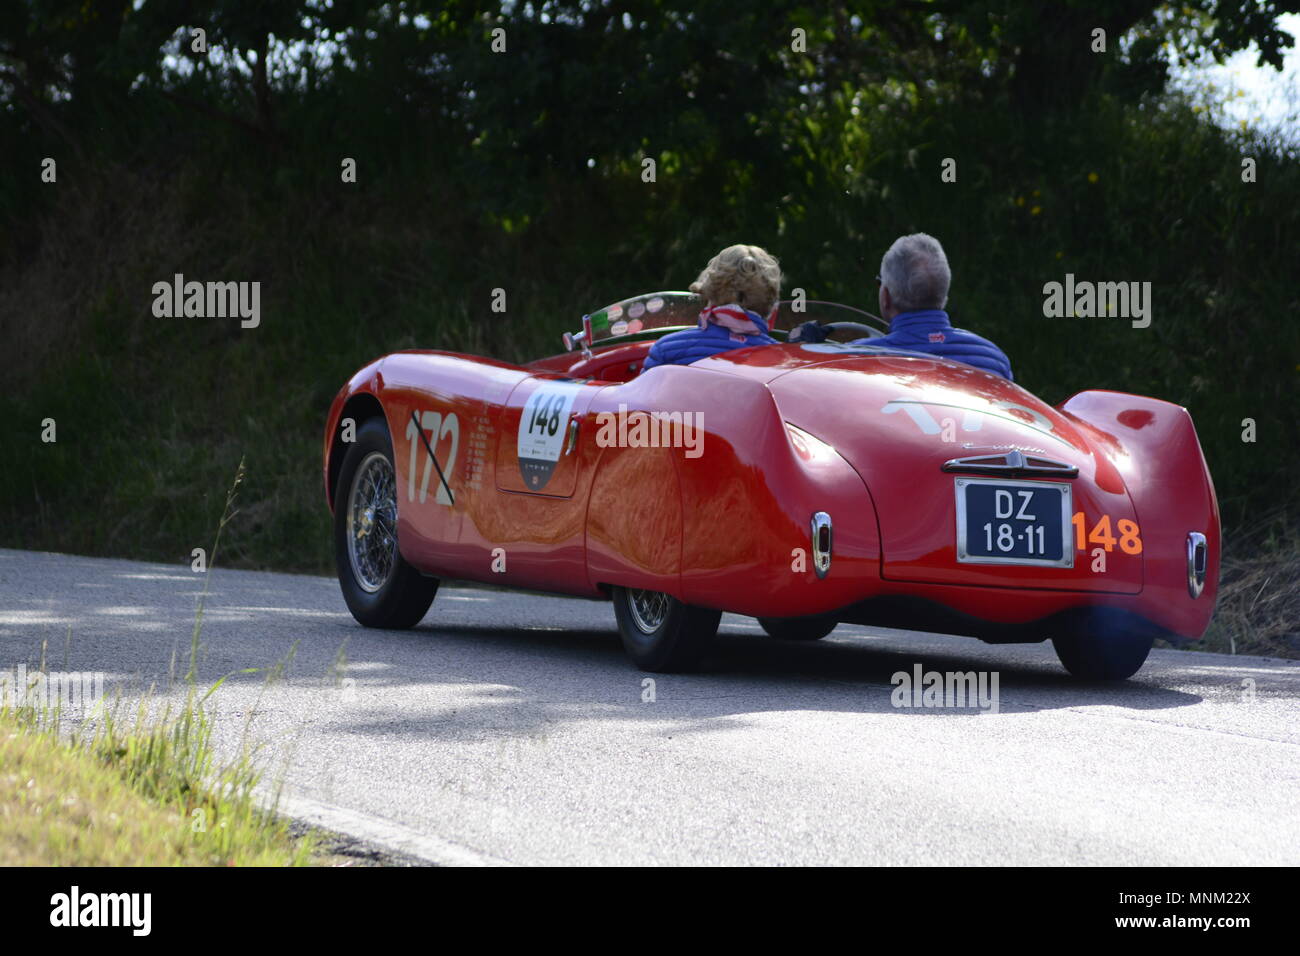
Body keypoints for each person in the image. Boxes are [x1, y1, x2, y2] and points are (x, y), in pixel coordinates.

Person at [792, 233, 1013, 380]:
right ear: (944, 291)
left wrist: (803, 353)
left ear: (885, 295)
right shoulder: (994, 360)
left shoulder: (857, 360)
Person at [641, 244, 780, 371]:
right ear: (770, 304)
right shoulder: (780, 361)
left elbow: (643, 396)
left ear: (708, 290)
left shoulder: (666, 349)